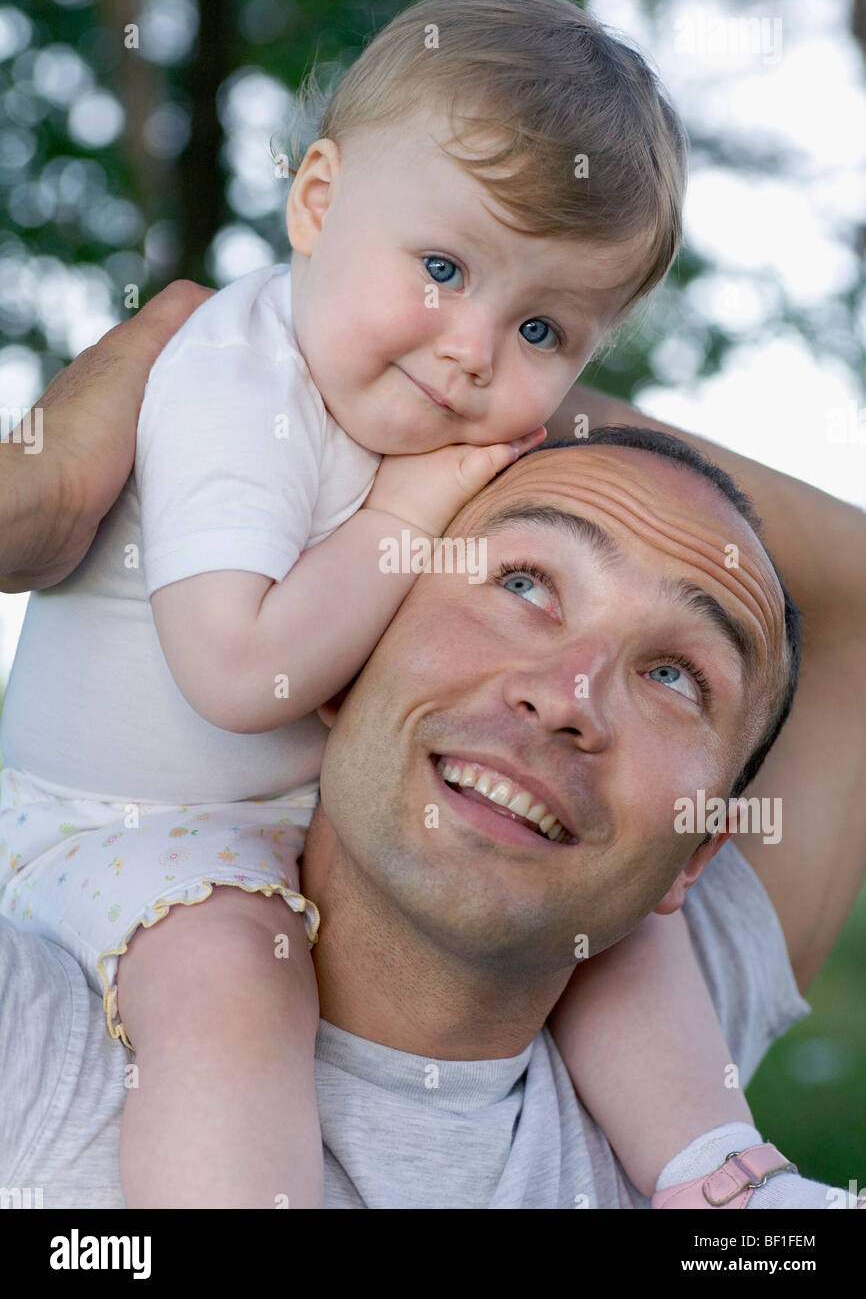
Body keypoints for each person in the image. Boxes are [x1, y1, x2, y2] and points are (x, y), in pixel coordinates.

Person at [1, 0, 864, 1210]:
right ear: (315, 203)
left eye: (544, 327)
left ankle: (722, 1176)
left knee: (607, 923)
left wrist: (527, 439)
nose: (469, 353)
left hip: (267, 825)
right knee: (233, 982)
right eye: (443, 268)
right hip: (120, 835)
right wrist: (34, 483)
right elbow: (241, 674)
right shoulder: (233, 390)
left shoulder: (435, 437)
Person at [1, 382, 865, 1206]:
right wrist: (47, 478)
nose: (570, 694)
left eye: (675, 676)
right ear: (342, 663)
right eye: (523, 583)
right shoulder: (36, 1040)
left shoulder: (686, 1085)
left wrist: (432, 368)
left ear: (695, 854)